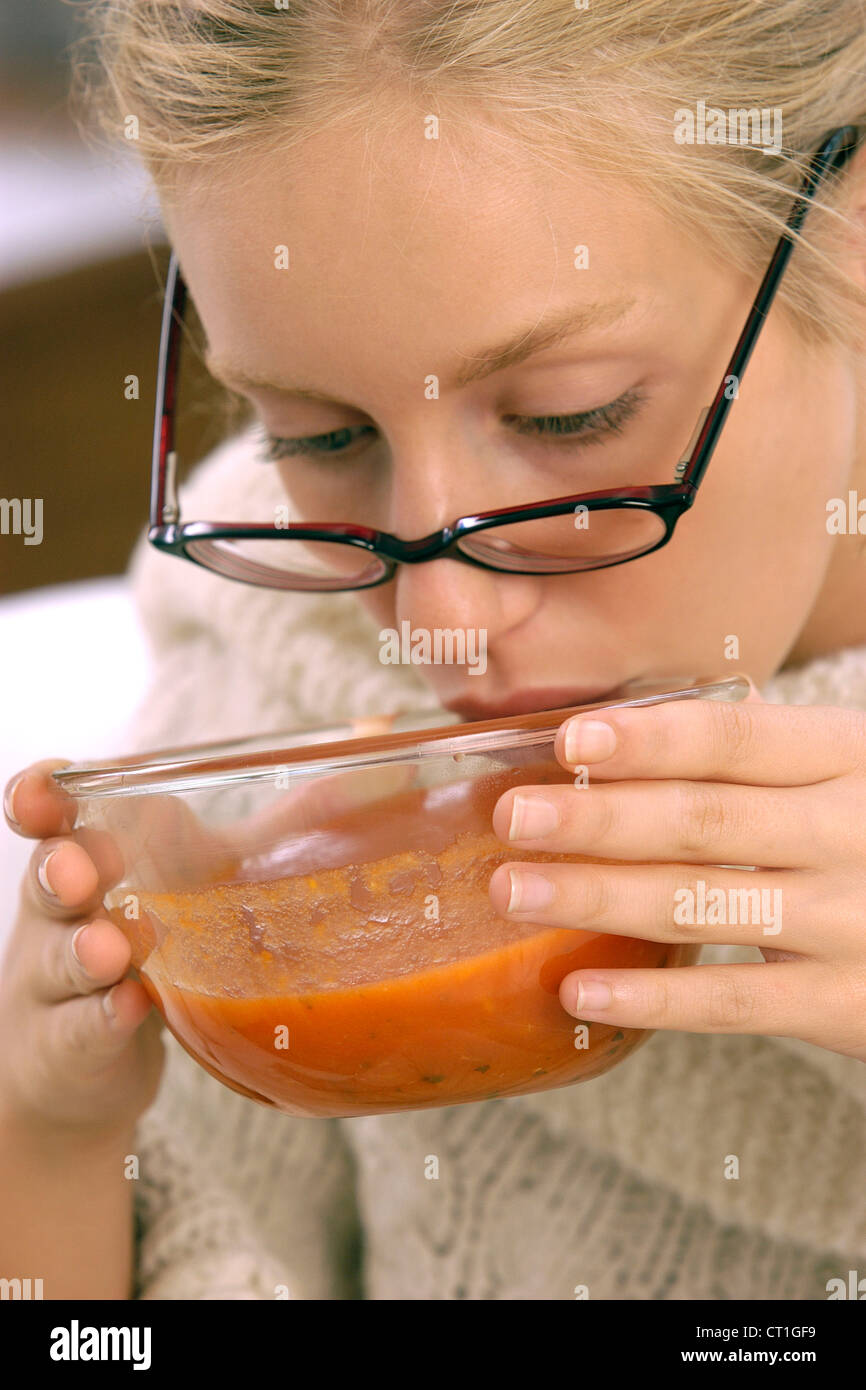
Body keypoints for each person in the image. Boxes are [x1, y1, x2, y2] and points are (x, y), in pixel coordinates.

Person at [2, 0, 866, 1299]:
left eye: (573, 418)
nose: (437, 626)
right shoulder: (275, 646)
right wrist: (49, 1140)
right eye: (318, 438)